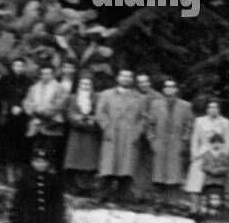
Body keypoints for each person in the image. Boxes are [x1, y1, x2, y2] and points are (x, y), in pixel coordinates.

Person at [95, 69, 144, 203]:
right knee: (108, 165)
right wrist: (107, 127)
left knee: (126, 167)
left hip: (129, 136)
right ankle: (103, 195)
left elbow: (143, 118)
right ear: (118, 78)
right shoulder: (106, 95)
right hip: (112, 133)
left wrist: (137, 132)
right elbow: (100, 113)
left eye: (129, 76)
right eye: (123, 75)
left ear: (132, 79)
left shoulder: (139, 97)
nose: (126, 78)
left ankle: (122, 196)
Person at [146, 77, 194, 208]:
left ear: (176, 89)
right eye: (167, 86)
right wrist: (152, 141)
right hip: (160, 143)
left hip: (176, 144)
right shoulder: (156, 104)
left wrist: (184, 141)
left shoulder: (185, 105)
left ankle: (172, 202)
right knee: (159, 174)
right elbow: (150, 125)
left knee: (174, 174)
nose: (169, 89)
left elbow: (189, 126)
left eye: (172, 86)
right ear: (163, 89)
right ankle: (158, 201)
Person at [0, 56, 32, 181]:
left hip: (22, 117)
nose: (18, 68)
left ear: (24, 68)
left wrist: (21, 108)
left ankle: (18, 171)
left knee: (21, 144)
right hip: (8, 116)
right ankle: (10, 172)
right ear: (12, 67)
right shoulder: (5, 79)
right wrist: (7, 108)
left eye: (21, 66)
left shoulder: (28, 81)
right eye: (16, 65)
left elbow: (30, 97)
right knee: (8, 144)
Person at [184, 99, 229, 209]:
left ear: (219, 109)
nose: (212, 110)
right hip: (201, 153)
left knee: (213, 182)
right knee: (195, 181)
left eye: (215, 107)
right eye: (210, 107)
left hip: (217, 154)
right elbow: (195, 139)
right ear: (207, 109)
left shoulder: (225, 122)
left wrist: (224, 156)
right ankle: (194, 207)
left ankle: (209, 206)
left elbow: (228, 141)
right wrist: (194, 154)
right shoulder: (199, 121)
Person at [22, 62, 68, 168]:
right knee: (35, 152)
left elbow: (59, 105)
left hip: (51, 125)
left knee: (50, 153)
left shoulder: (59, 88)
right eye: (43, 74)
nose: (45, 76)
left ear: (52, 74)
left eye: (48, 74)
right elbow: (27, 102)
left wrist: (43, 112)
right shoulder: (34, 88)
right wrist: (33, 110)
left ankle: (49, 176)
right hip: (36, 125)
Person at [63, 74, 102, 193]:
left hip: (91, 134)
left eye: (88, 84)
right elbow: (69, 114)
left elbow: (100, 113)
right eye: (83, 84)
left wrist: (92, 121)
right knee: (76, 160)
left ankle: (87, 187)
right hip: (76, 133)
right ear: (79, 85)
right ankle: (76, 186)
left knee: (89, 161)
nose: (85, 86)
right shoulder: (72, 98)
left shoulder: (97, 97)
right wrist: (79, 121)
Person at [131, 72, 159, 201]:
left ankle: (148, 193)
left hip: (152, 134)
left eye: (145, 82)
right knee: (135, 163)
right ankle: (136, 192)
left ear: (149, 83)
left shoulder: (157, 97)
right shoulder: (133, 95)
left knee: (150, 164)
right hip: (136, 134)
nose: (143, 84)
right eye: (140, 82)